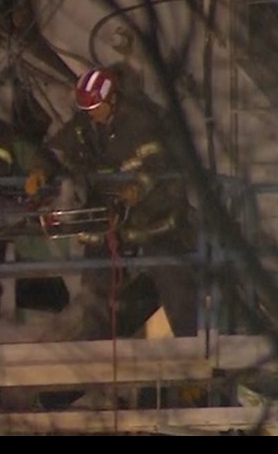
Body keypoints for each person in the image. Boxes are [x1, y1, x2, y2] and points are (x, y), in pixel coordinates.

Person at [24, 66, 199, 340]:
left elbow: (156, 165)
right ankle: (97, 339)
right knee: (97, 273)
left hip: (155, 211)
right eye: (87, 108)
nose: (91, 113)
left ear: (112, 99)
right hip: (107, 211)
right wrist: (40, 170)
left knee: (169, 272)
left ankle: (189, 341)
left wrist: (134, 191)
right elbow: (57, 149)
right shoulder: (85, 125)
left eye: (95, 106)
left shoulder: (140, 121)